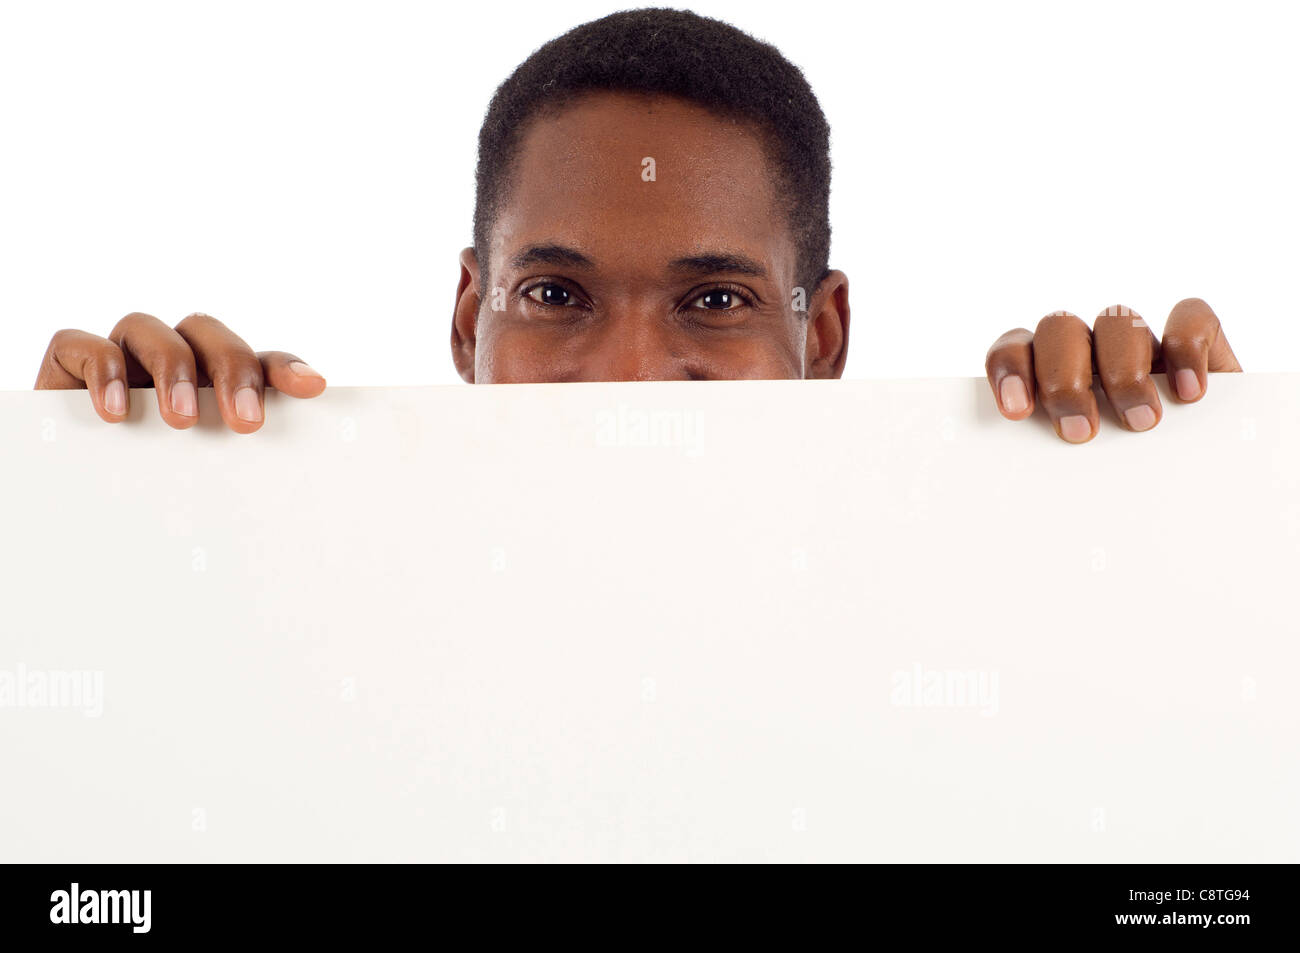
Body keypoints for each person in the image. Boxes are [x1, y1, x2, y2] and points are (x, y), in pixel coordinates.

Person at [32, 8, 1242, 443]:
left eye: (714, 300)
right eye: (553, 294)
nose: (623, 377)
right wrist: (83, 522)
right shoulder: (293, 619)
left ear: (822, 336)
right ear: (468, 320)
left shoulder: (964, 626)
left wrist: (1193, 510)